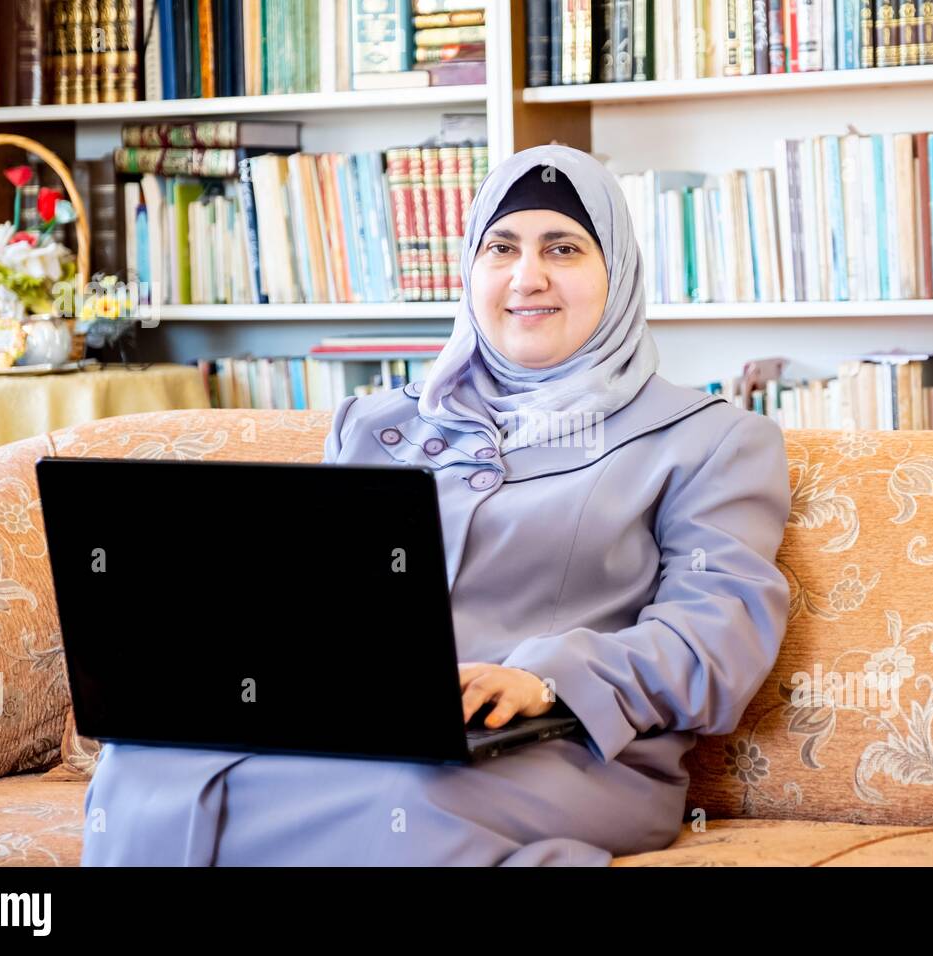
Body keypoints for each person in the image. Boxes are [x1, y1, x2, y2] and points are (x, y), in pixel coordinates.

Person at [80, 143, 792, 866]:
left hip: (566, 749)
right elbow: (313, 610)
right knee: (145, 767)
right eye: (501, 247)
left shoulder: (713, 440)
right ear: (469, 272)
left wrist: (545, 677)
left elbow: (717, 633)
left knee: (409, 800)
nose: (527, 276)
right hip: (360, 729)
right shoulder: (377, 424)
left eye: (565, 248)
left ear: (619, 273)